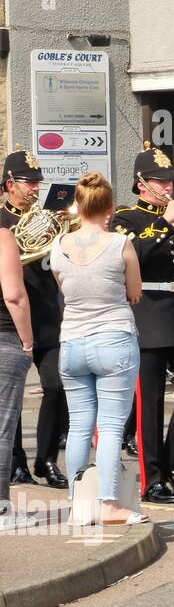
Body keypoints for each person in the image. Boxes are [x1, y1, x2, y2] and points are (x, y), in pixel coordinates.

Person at [112, 143, 174, 505]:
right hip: (148, 317)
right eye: (161, 182)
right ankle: (152, 480)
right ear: (141, 183)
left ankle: (169, 466)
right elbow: (131, 256)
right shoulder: (127, 218)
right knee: (148, 405)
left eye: (170, 182)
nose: (169, 188)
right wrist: (164, 224)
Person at [50, 173, 145, 525]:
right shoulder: (120, 243)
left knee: (78, 426)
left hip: (72, 342)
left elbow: (64, 287)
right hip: (113, 339)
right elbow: (134, 292)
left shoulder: (57, 245)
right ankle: (108, 503)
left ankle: (78, 504)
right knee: (109, 426)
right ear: (107, 207)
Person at [0, 150, 67, 489]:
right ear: (11, 184)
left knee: (57, 386)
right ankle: (16, 463)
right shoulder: (1, 222)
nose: (36, 189)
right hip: (10, 320)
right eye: (30, 183)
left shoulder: (47, 218)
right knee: (8, 399)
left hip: (47, 316)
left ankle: (47, 460)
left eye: (39, 183)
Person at [0, 213, 34, 530]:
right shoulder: (3, 236)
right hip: (3, 340)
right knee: (2, 429)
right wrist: (27, 342)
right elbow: (14, 295)